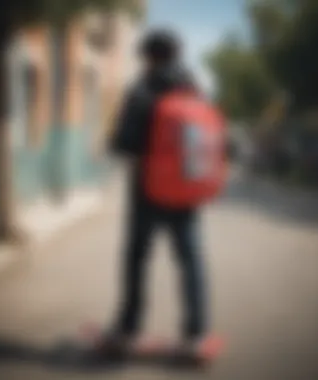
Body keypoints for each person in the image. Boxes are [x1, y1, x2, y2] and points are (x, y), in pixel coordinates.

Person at [109, 30, 208, 350]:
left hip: (147, 191)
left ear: (149, 56)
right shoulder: (194, 91)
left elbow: (124, 142)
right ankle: (196, 332)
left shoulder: (142, 89)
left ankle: (129, 328)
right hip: (185, 189)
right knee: (190, 259)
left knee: (137, 258)